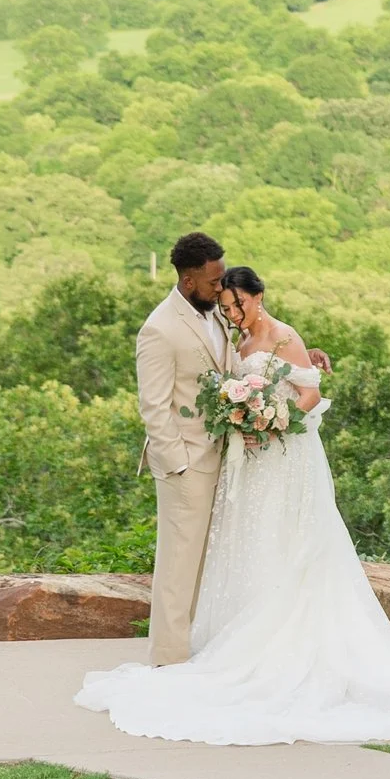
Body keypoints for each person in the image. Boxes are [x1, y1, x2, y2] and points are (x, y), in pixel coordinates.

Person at [80, 264, 390, 749]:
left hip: (283, 457)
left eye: (239, 304)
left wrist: (273, 421)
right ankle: (236, 641)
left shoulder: (283, 335)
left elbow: (310, 393)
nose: (233, 313)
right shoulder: (234, 338)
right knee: (249, 543)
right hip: (248, 463)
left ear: (259, 296)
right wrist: (247, 415)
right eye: (227, 306)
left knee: (288, 541)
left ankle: (284, 650)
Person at [135, 231, 232, 667]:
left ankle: (195, 648)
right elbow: (153, 407)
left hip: (221, 458)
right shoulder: (159, 329)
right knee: (178, 564)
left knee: (206, 562)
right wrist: (179, 465)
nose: (220, 287)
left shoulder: (217, 313)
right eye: (213, 281)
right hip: (186, 465)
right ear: (189, 281)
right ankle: (168, 658)